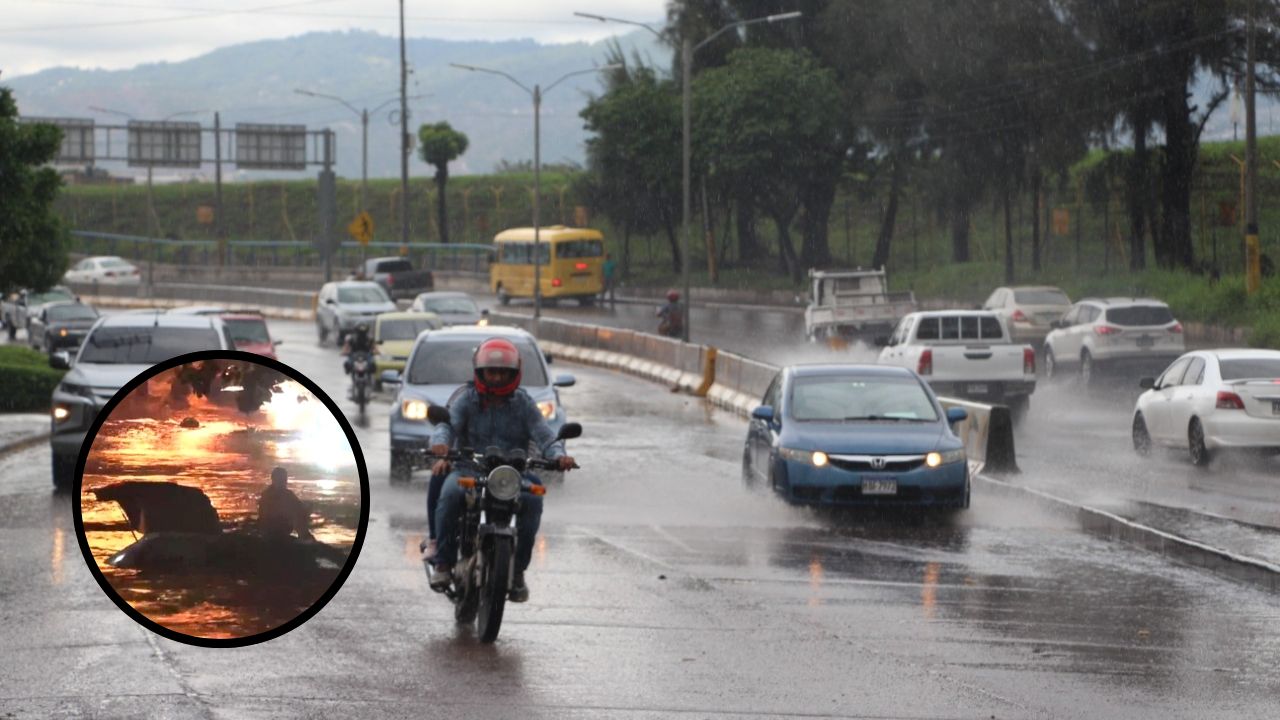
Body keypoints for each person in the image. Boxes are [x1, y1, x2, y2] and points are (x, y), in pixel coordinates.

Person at [427, 337, 577, 602]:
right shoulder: (466, 399)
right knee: (450, 494)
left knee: (533, 499)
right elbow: (447, 426)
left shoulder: (523, 403)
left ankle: (517, 571)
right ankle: (443, 563)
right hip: (469, 470)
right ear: (480, 371)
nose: (496, 377)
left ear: (514, 373)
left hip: (513, 473)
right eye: (491, 372)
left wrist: (559, 455)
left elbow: (544, 435)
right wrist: (441, 444)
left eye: (502, 372)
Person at [257, 466, 314, 541]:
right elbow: (263, 517)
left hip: (281, 531)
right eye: (280, 480)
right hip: (271, 533)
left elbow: (300, 509)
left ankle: (304, 537)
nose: (283, 482)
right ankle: (304, 538)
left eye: (284, 480)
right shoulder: (267, 496)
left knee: (300, 511)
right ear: (273, 479)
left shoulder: (288, 495)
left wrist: (306, 510)